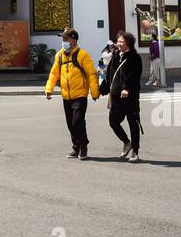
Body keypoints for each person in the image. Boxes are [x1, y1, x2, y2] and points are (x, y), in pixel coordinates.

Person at [44, 28, 100, 159]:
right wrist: (49, 89)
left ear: (73, 40)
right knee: (70, 123)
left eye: (66, 39)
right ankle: (76, 148)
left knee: (77, 121)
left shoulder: (83, 55)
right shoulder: (59, 56)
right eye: (63, 39)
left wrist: (94, 91)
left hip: (80, 95)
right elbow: (54, 74)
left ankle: (83, 146)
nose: (63, 41)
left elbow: (91, 74)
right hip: (66, 95)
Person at [103, 30, 143, 161]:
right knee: (113, 122)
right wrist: (101, 90)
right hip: (115, 96)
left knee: (133, 123)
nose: (118, 44)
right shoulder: (116, 56)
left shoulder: (134, 58)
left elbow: (134, 77)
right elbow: (109, 74)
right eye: (118, 41)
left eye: (121, 42)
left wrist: (127, 89)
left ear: (128, 44)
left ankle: (135, 151)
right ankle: (127, 142)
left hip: (129, 97)